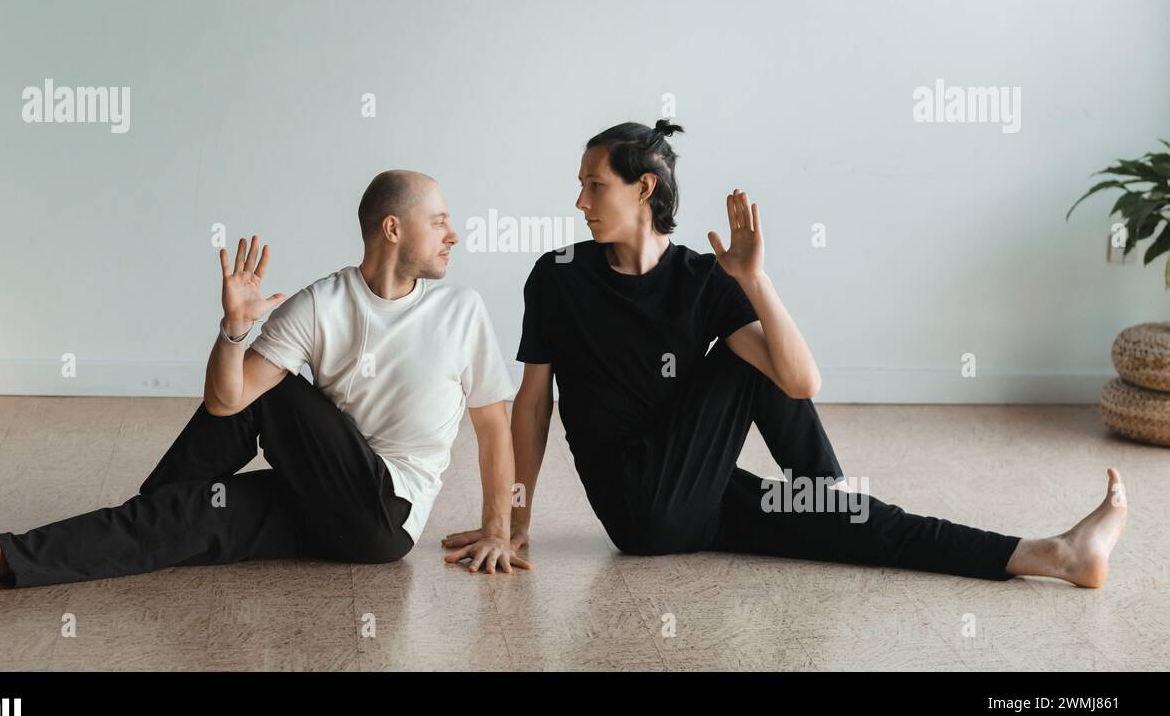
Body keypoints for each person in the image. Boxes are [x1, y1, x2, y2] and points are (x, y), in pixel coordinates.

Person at [444, 120, 1128, 588]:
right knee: (752, 364)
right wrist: (510, 524)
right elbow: (531, 408)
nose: (580, 200)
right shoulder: (560, 276)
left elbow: (801, 382)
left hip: (700, 494)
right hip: (640, 507)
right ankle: (835, 500)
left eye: (595, 184)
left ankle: (1055, 556)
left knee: (863, 519)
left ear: (642, 188)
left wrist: (754, 281)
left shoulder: (702, 277)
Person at [0, 170, 531, 587]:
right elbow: (226, 404)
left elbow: (492, 429)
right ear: (394, 229)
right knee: (196, 515)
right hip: (322, 502)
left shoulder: (460, 312)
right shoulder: (321, 304)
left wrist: (498, 531)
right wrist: (234, 331)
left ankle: (156, 498)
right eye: (441, 221)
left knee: (273, 394)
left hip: (385, 517)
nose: (453, 234)